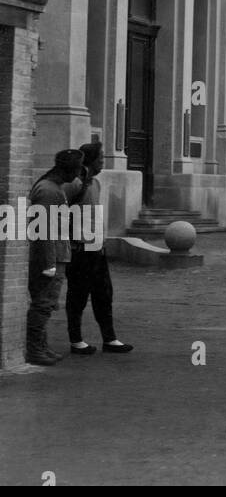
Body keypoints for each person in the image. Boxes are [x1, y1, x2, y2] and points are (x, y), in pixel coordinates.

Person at [66, 141, 132, 356]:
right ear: (91, 160)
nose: (104, 161)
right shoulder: (75, 184)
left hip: (96, 249)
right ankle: (76, 340)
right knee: (78, 296)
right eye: (101, 158)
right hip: (79, 249)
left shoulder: (95, 183)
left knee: (104, 294)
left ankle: (110, 339)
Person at [27, 149, 84, 365]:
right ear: (69, 169)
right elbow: (44, 230)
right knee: (43, 304)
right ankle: (34, 349)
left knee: (47, 304)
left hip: (57, 255)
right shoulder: (49, 191)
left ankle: (41, 345)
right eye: (78, 169)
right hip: (49, 258)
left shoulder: (53, 188)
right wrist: (49, 263)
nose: (79, 175)